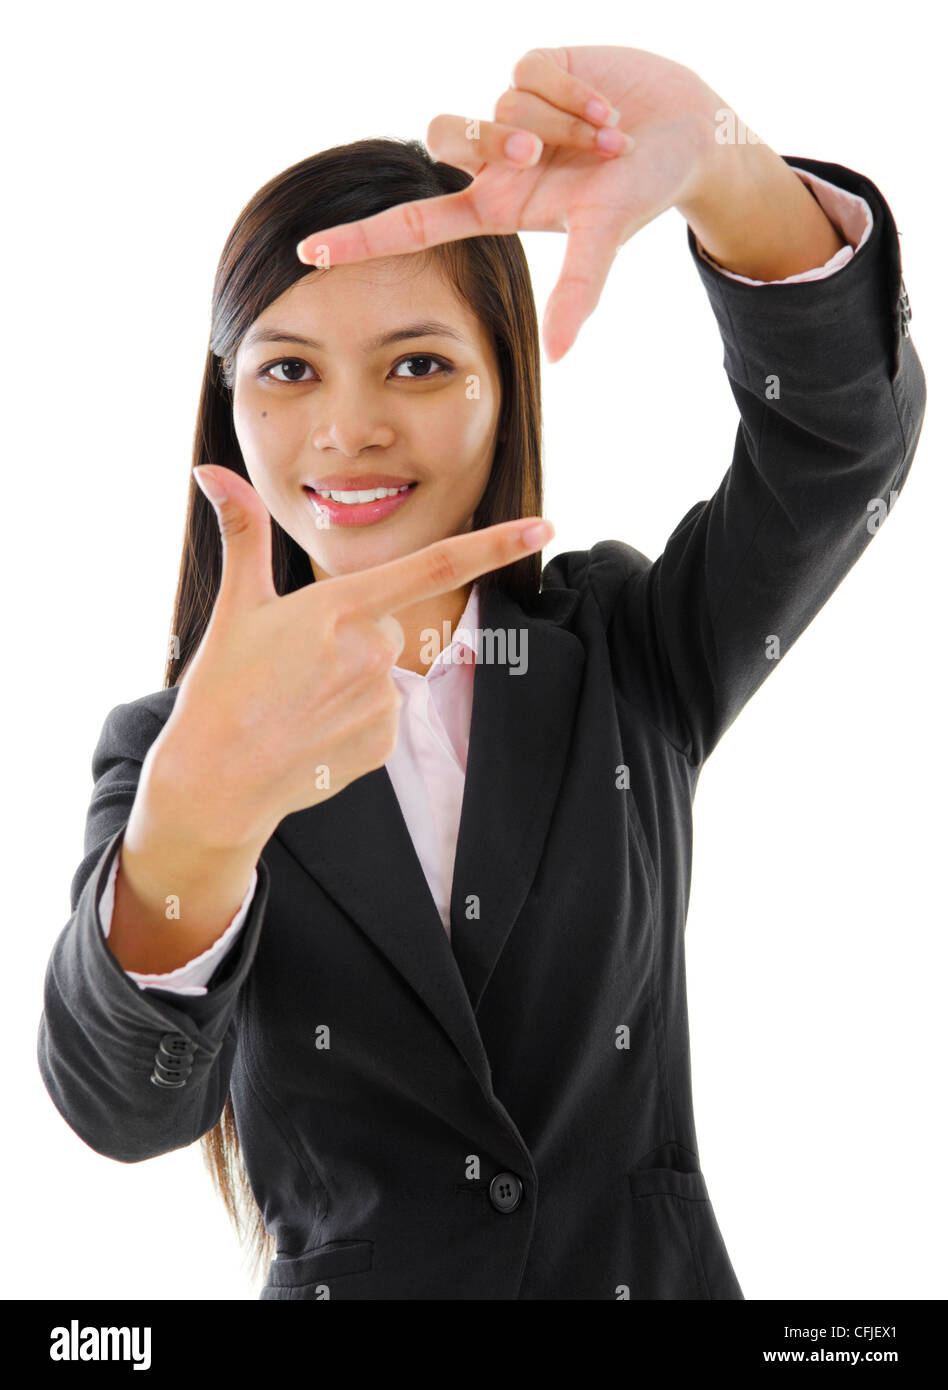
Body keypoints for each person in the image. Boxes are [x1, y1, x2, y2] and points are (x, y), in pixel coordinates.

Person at [37, 45, 925, 1300]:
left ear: (506, 385)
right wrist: (195, 831)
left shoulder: (623, 651)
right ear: (229, 401)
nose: (349, 428)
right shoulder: (176, 746)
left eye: (419, 363)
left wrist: (726, 167)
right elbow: (126, 1105)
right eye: (288, 368)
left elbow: (839, 448)